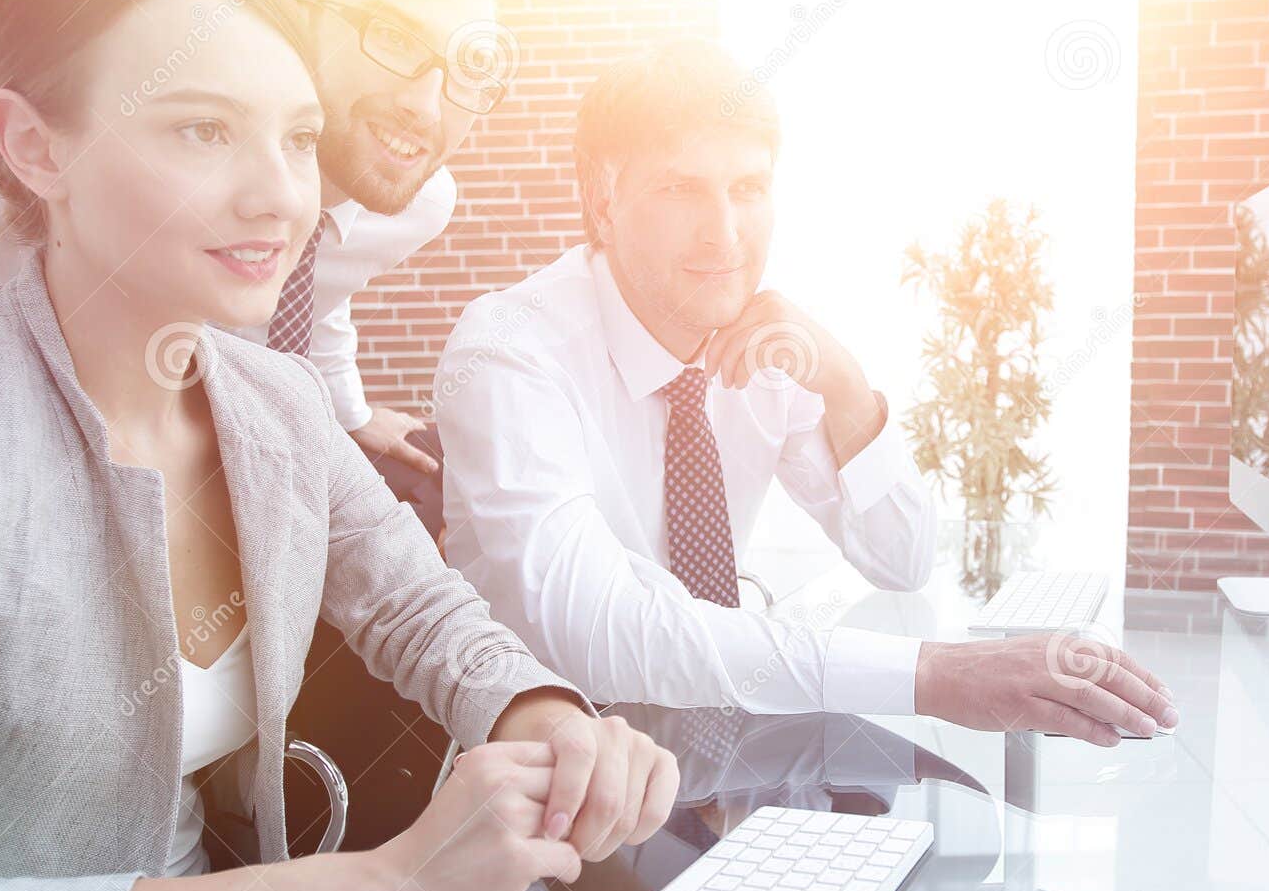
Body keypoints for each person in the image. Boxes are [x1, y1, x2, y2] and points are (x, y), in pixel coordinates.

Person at [0, 0, 676, 891]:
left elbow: (418, 608)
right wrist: (391, 889)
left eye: (296, 139)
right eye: (200, 132)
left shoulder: (272, 399)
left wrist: (543, 714)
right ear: (34, 148)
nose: (278, 198)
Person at [435, 41, 1178, 746]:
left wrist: (846, 384)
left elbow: (903, 558)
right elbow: (596, 630)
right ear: (602, 203)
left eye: (748, 189)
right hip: (548, 798)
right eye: (681, 190)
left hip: (720, 752)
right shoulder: (510, 352)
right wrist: (933, 675)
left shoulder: (763, 349)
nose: (724, 235)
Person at [0, 0, 506, 484]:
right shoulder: (110, 73)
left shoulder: (414, 200)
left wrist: (348, 414)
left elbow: (322, 289)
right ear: (298, 13)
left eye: (467, 62)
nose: (425, 104)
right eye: (392, 38)